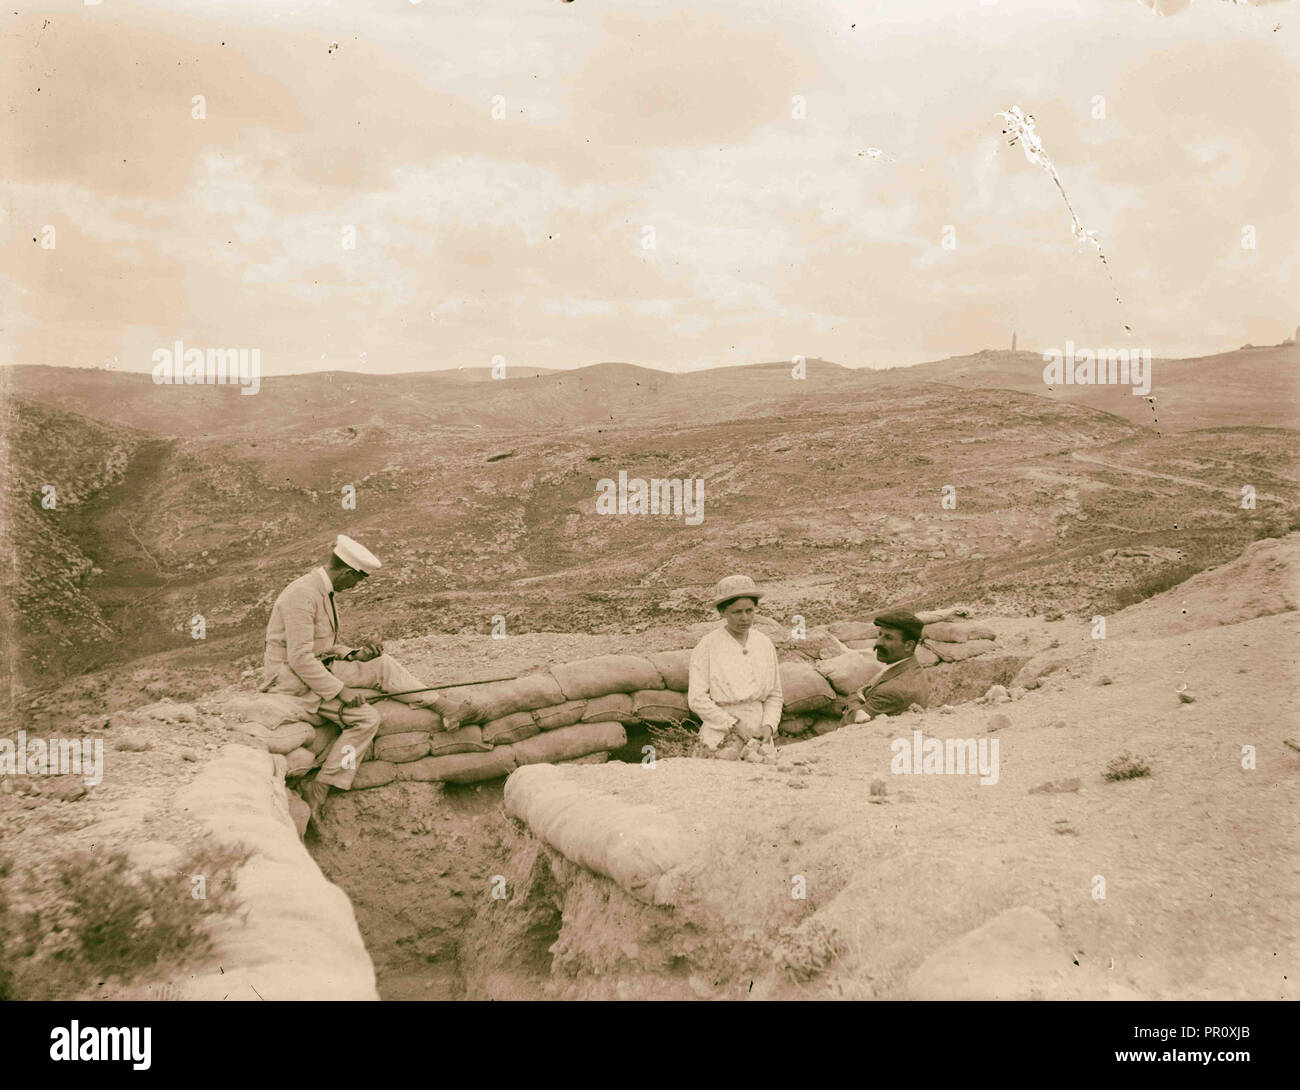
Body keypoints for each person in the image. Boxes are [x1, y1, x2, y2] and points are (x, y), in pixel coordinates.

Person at [261, 534, 475, 823]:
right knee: (367, 718)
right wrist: (341, 691)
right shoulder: (303, 594)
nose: (356, 586)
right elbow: (299, 658)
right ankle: (321, 786)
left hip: (317, 669)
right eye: (358, 581)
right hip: (291, 679)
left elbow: (322, 647)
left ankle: (444, 707)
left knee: (381, 664)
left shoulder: (321, 592)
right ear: (349, 572)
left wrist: (354, 654)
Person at [687, 575, 783, 760]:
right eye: (737, 612)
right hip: (720, 733)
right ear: (722, 612)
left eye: (750, 610)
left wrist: (769, 726)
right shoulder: (707, 646)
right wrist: (733, 724)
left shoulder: (764, 643)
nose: (745, 618)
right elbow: (697, 699)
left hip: (759, 735)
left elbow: (775, 694)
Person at [841, 609, 930, 722]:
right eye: (880, 634)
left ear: (908, 646)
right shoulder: (909, 667)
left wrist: (854, 698)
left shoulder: (892, 691)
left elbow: (849, 722)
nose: (878, 643)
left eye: (888, 638)